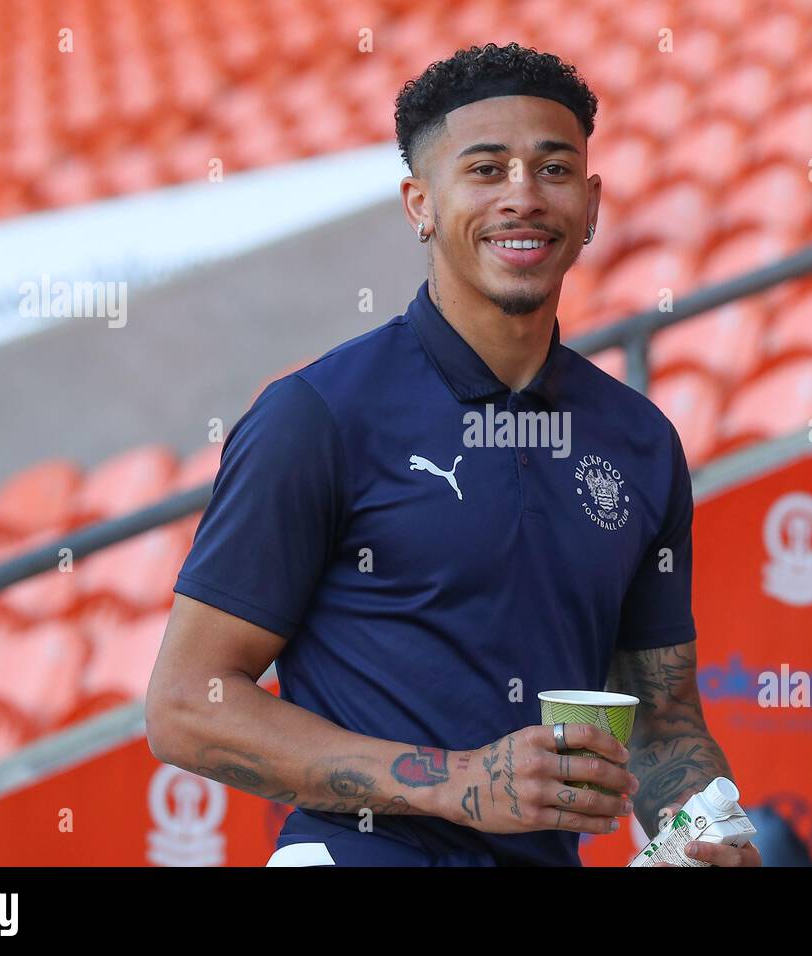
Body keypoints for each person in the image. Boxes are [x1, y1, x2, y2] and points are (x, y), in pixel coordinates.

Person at [146, 41, 760, 868]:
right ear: (419, 204)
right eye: (485, 170)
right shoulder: (317, 416)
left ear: (592, 203)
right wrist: (455, 781)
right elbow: (187, 705)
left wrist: (702, 836)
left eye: (553, 169)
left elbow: (660, 719)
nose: (523, 197)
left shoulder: (640, 441)